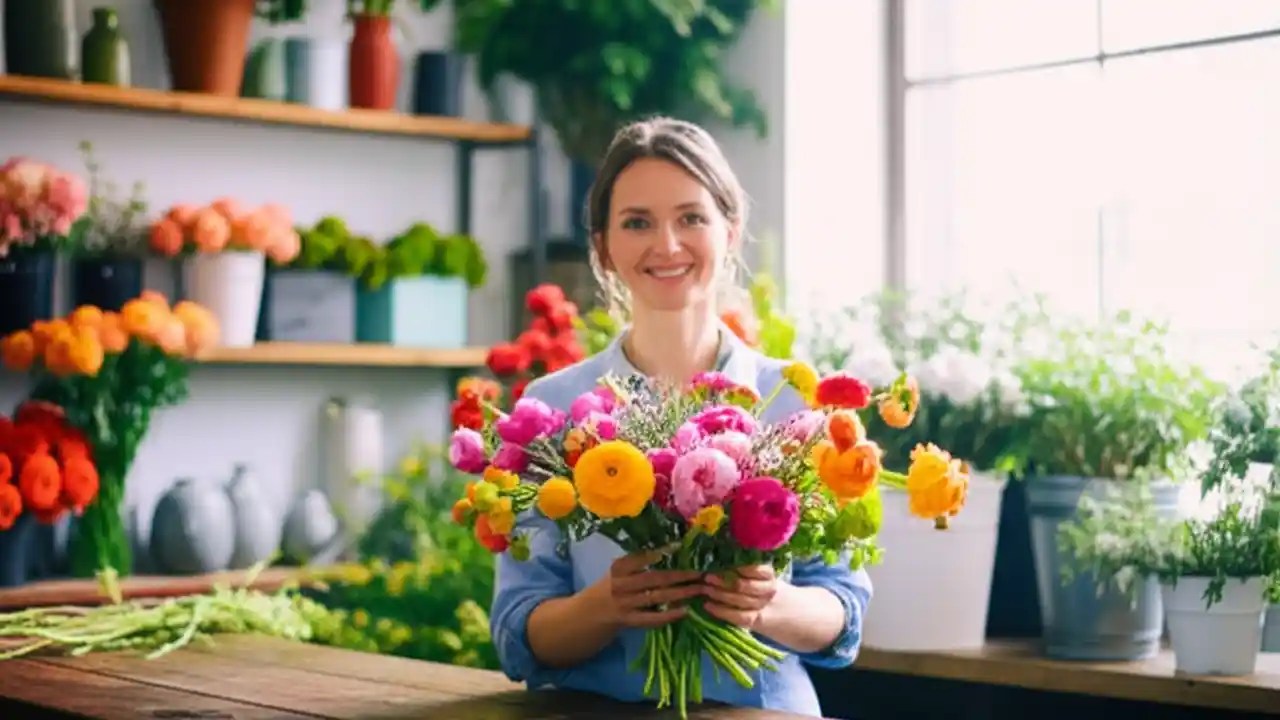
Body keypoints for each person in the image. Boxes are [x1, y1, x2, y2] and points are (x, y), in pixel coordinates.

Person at [488, 116, 871, 716]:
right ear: (603, 248)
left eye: (691, 217)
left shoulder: (797, 404)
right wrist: (607, 605)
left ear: (731, 232)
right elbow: (517, 634)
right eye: (637, 222)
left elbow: (844, 612)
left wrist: (769, 605)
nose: (666, 245)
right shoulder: (552, 410)